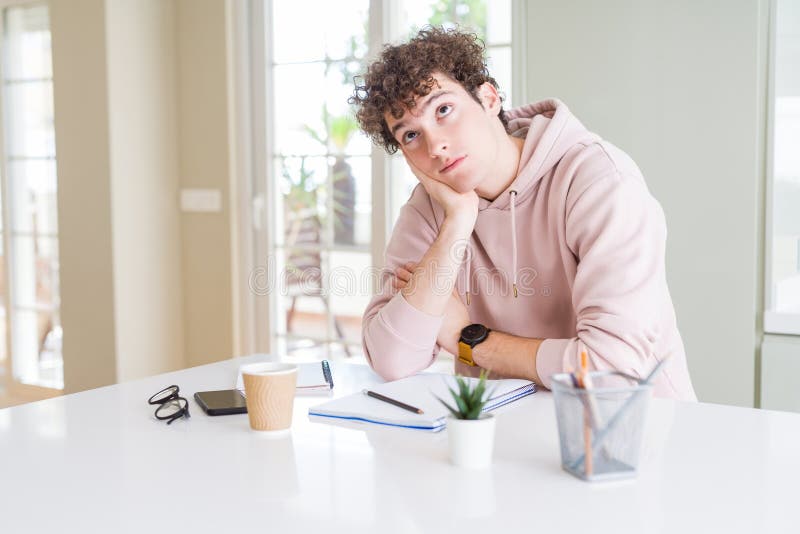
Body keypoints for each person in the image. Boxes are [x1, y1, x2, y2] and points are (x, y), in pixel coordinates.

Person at [350, 27, 696, 400]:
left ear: (489, 98)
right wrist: (457, 224)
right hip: (504, 431)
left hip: (631, 431)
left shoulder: (598, 179)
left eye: (444, 110)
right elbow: (392, 360)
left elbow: (613, 370)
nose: (436, 145)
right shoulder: (432, 208)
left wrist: (466, 338)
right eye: (410, 136)